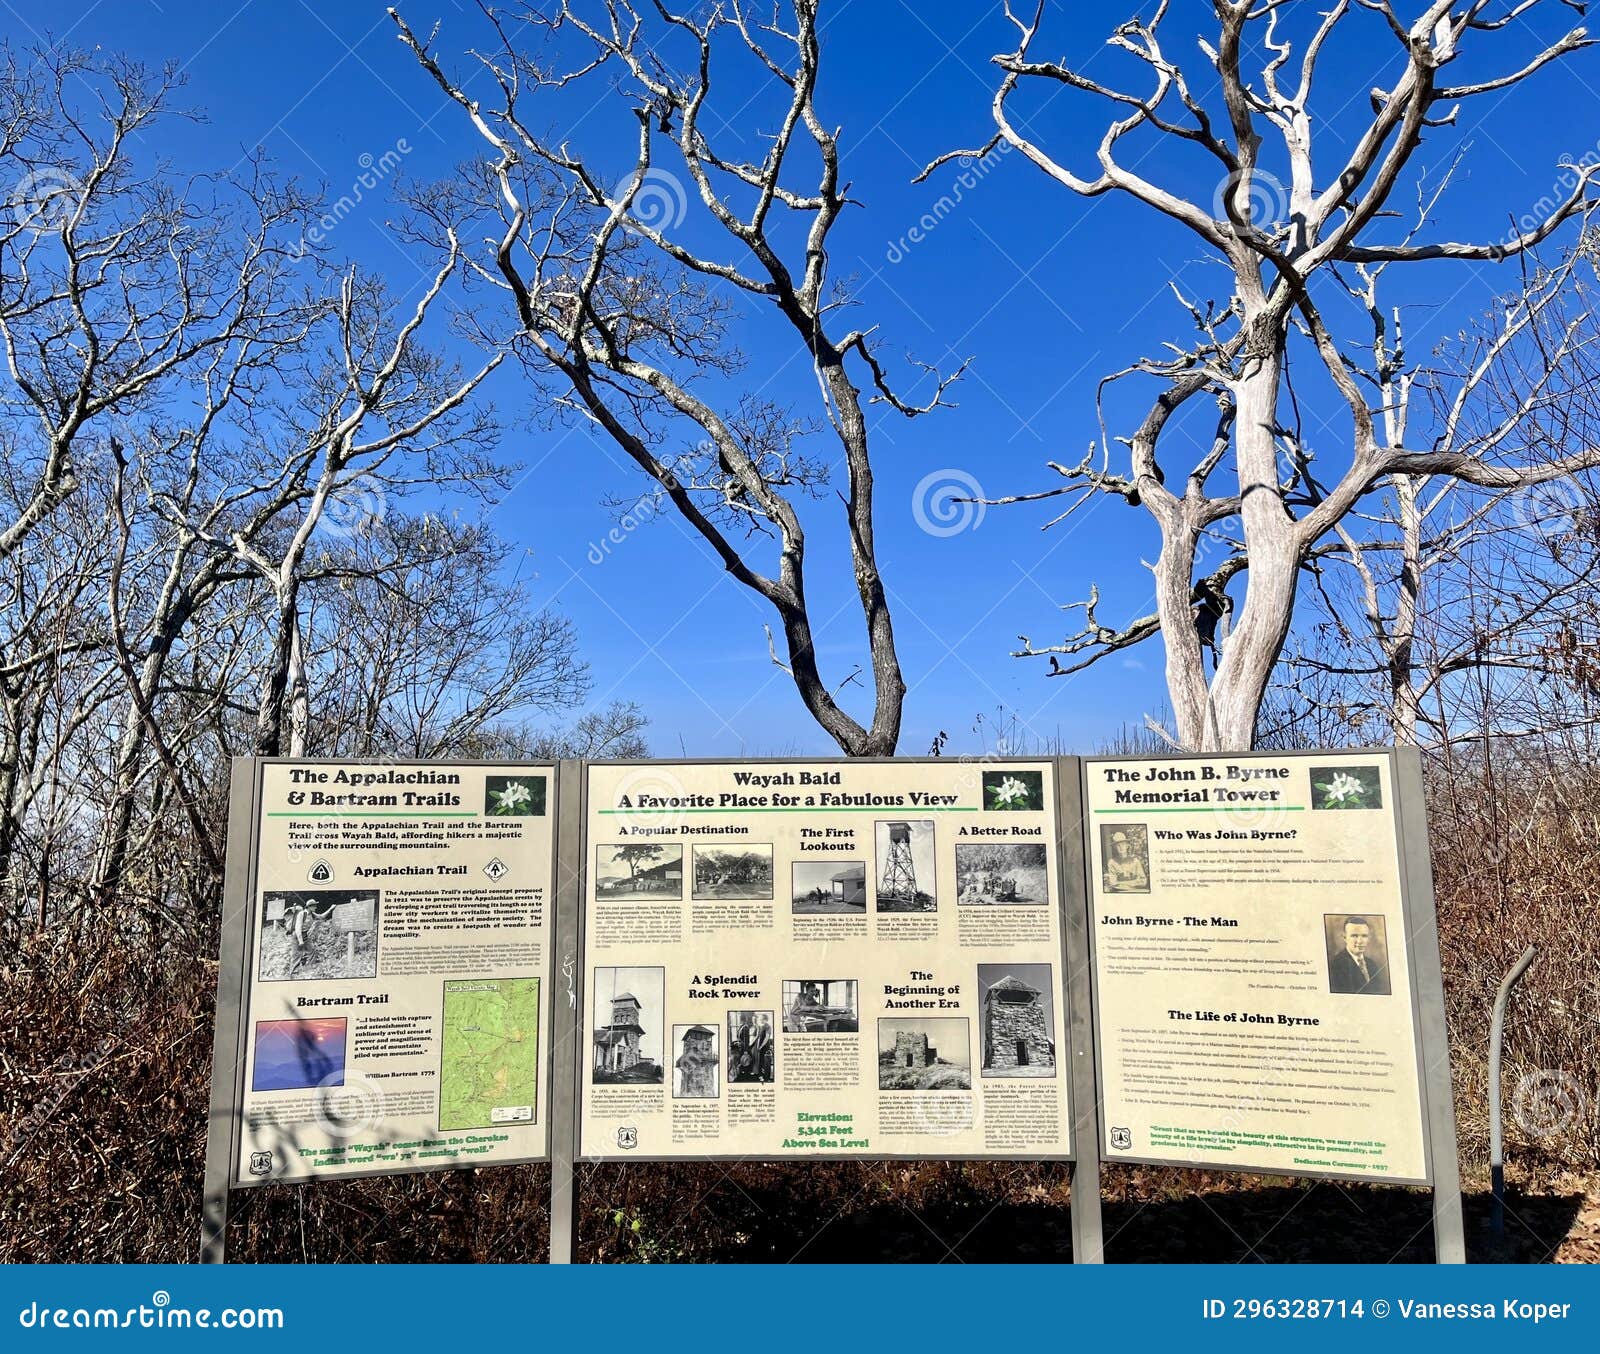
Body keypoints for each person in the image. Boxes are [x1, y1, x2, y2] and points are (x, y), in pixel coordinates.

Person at [1328, 916, 1390, 995]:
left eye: (1364, 936)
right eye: (1354, 936)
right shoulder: (1336, 966)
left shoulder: (1372, 964)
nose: (1360, 941)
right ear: (1344, 937)